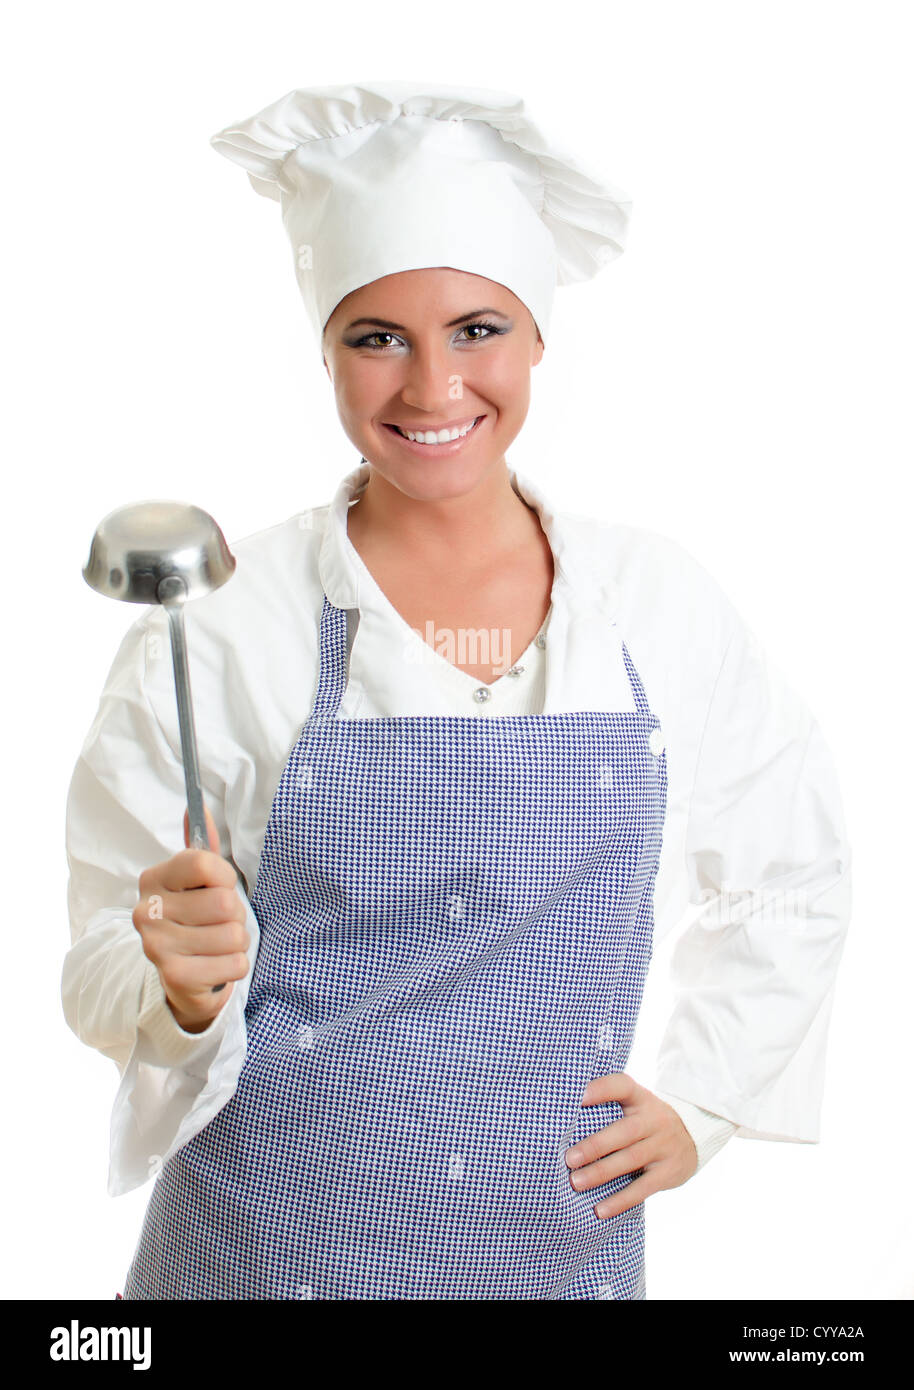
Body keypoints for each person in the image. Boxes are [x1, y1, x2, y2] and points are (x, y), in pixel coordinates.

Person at [62, 80, 852, 1301]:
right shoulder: (229, 618)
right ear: (324, 349)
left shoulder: (652, 601)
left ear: (538, 336)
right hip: (266, 1250)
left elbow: (789, 865)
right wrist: (177, 980)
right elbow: (101, 955)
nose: (432, 389)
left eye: (477, 329)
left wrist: (706, 1100)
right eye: (376, 338)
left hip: (551, 1249)